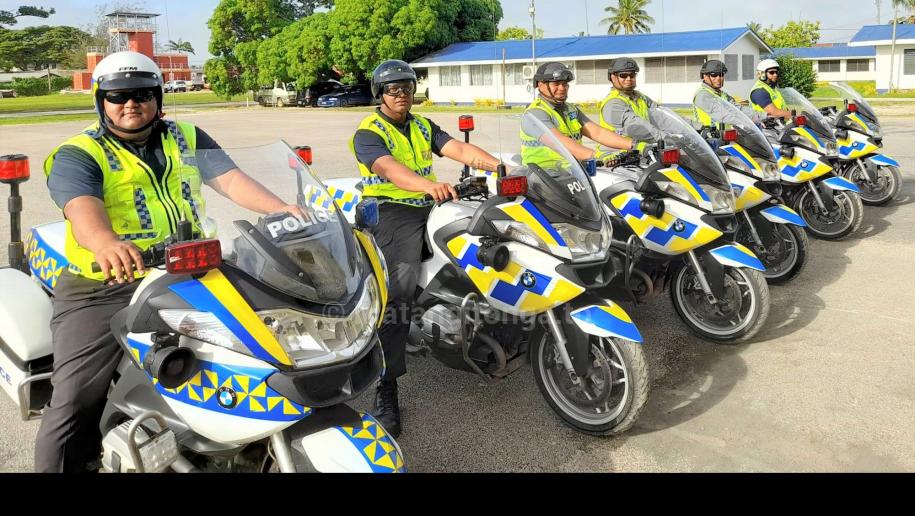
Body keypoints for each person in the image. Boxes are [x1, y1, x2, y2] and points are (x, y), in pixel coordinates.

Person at [35, 51, 299, 472]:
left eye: (141, 94)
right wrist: (106, 243)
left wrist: (281, 208)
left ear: (158, 97)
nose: (130, 104)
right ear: (101, 101)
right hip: (105, 284)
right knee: (73, 397)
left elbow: (230, 179)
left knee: (265, 343)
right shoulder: (78, 153)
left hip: (191, 269)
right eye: (117, 96)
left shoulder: (187, 136)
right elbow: (82, 209)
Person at [350, 59, 500, 438]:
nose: (401, 95)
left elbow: (459, 151)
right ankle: (386, 384)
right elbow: (389, 170)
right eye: (392, 89)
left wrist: (501, 168)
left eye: (406, 87)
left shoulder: (422, 125)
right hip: (391, 209)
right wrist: (425, 185)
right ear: (379, 94)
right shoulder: (369, 132)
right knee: (398, 291)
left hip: (429, 204)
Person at [522, 61, 642, 167]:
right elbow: (560, 143)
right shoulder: (535, 114)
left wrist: (635, 145)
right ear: (540, 85)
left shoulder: (570, 109)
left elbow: (598, 133)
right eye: (556, 84)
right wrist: (597, 155)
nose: (562, 88)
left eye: (564, 84)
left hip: (572, 171)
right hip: (543, 174)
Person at [598, 57, 663, 142]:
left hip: (641, 150)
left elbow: (662, 116)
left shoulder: (640, 97)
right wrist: (665, 138)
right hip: (616, 152)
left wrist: (684, 128)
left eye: (632, 75)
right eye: (623, 75)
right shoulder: (613, 103)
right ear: (613, 78)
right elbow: (638, 127)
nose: (628, 79)